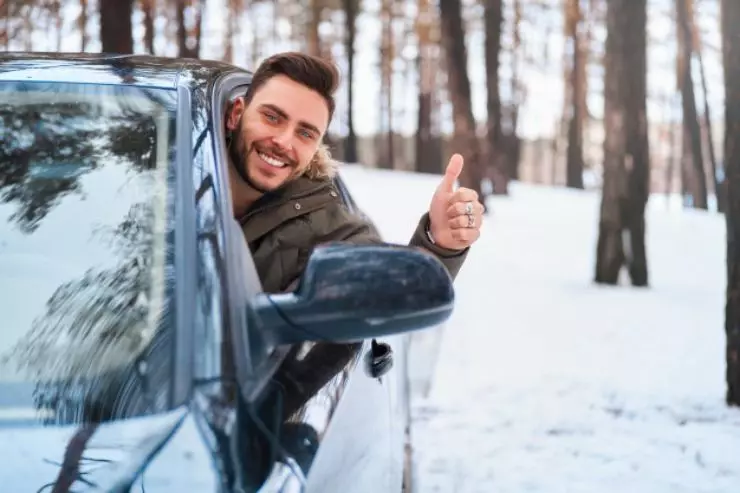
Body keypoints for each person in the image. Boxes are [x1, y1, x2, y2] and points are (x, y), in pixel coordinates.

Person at [224, 51, 484, 294]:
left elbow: (390, 292)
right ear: (237, 114)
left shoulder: (329, 227)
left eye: (305, 133)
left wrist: (439, 245)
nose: (283, 142)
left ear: (315, 147)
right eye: (272, 117)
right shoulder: (184, 180)